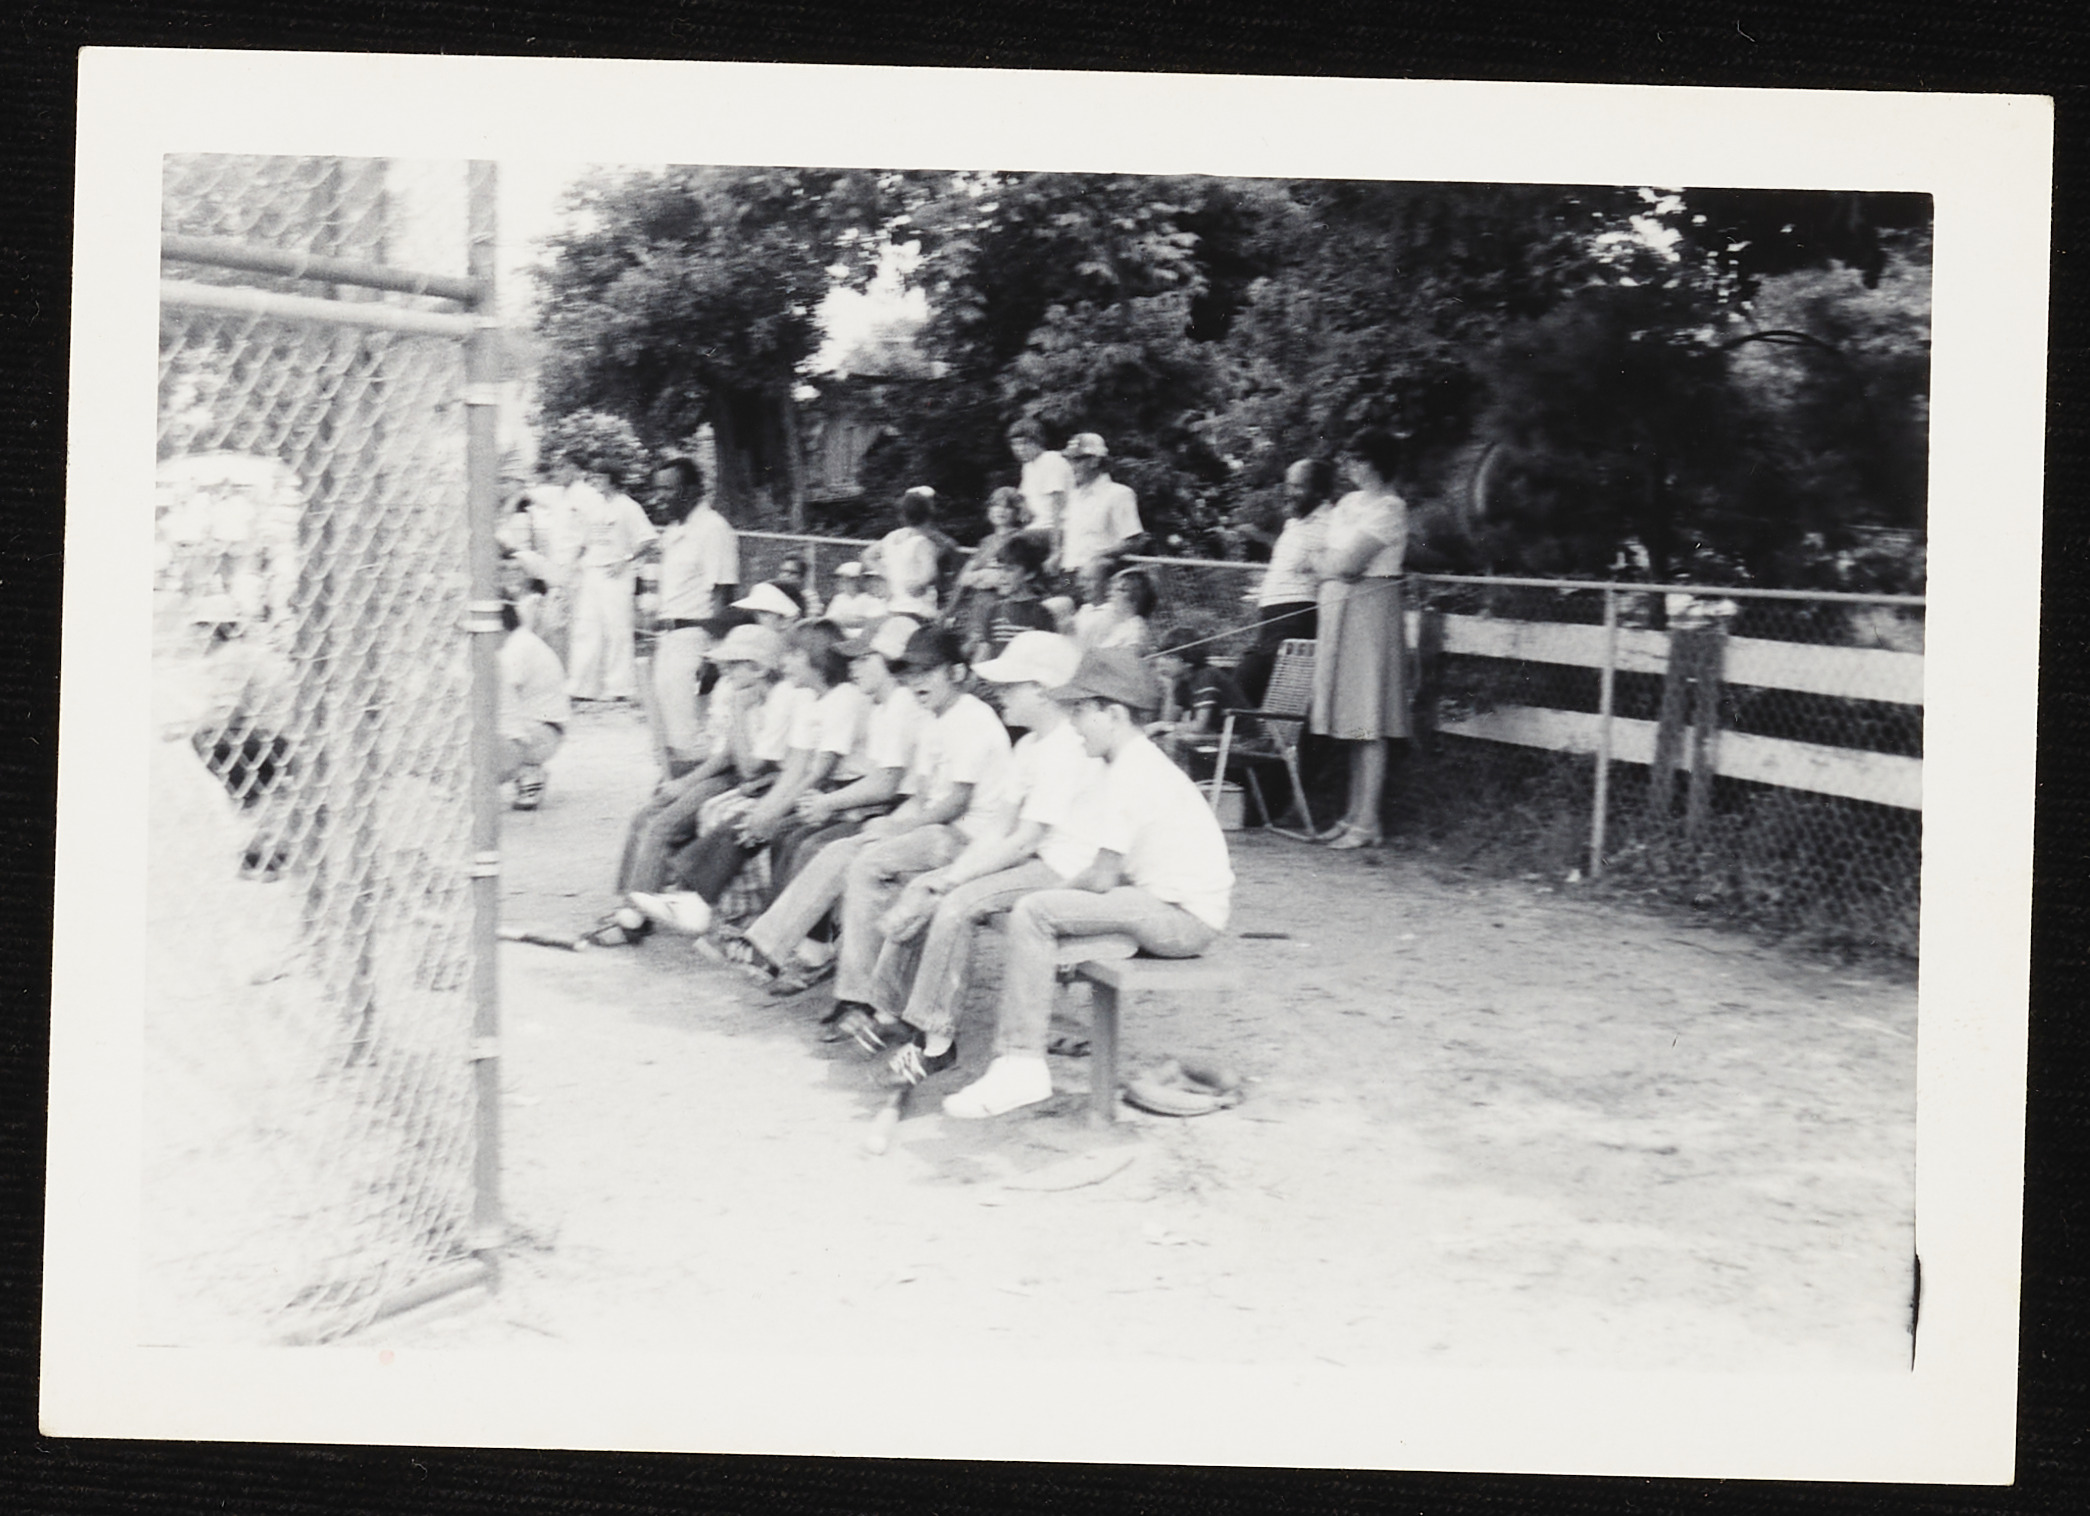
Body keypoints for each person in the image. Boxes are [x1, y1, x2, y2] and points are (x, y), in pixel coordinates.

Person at [940, 646, 1233, 1118]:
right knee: (1042, 912)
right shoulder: (1124, 763)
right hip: (1154, 903)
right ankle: (1022, 1056)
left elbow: (1101, 877)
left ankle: (1021, 1067)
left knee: (1034, 912)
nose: (1072, 723)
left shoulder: (1133, 770)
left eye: (1081, 711)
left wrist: (1049, 904)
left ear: (1113, 713)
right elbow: (1102, 877)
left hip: (1185, 918)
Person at [859, 631, 1105, 1086]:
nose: (1000, 694)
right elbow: (999, 827)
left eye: (1012, 687)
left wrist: (954, 881)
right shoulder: (1029, 745)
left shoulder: (1066, 748)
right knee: (928, 888)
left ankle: (936, 1043)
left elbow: (1024, 840)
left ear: (1045, 691)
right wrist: (947, 874)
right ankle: (889, 1010)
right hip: (1031, 861)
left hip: (1066, 871)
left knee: (957, 904)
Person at [814, 625, 1012, 1050]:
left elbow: (955, 803)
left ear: (957, 673)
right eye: (910, 672)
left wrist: (898, 829)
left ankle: (864, 1000)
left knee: (870, 864)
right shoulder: (935, 720)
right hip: (939, 830)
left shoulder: (973, 718)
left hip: (970, 839)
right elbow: (923, 795)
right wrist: (886, 827)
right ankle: (866, 997)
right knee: (853, 850)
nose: (916, 681)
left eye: (928, 671)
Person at [713, 615, 929, 987]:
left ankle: (804, 950)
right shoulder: (883, 704)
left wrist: (832, 804)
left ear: (892, 661)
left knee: (812, 844)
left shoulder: (900, 705)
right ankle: (792, 946)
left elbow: (887, 784)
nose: (854, 667)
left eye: (865, 660)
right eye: (855, 659)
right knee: (794, 837)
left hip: (896, 811)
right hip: (883, 805)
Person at [629, 620, 867, 935]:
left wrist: (774, 808)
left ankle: (752, 923)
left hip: (844, 794)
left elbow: (815, 770)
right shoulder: (811, 699)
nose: (786, 662)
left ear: (816, 657)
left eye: (794, 654)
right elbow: (798, 766)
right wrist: (769, 807)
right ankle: (695, 901)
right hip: (812, 789)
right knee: (746, 820)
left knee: (772, 830)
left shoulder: (841, 697)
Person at [597, 622, 787, 942]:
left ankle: (634, 920)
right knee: (646, 814)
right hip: (732, 773)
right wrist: (684, 782)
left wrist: (740, 713)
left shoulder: (775, 701)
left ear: (758, 668)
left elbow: (747, 766)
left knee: (663, 826)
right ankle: (628, 902)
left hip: (750, 781)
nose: (725, 671)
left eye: (733, 664)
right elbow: (727, 753)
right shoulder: (740, 692)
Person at [1312, 428, 1411, 850]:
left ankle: (1368, 822)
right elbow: (1326, 557)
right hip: (1340, 611)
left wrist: (1328, 563)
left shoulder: (1391, 507)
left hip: (1370, 611)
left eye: (1358, 458)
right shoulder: (1349, 504)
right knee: (1352, 720)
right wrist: (1330, 563)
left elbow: (1348, 563)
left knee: (1368, 718)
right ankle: (1353, 814)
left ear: (1377, 462)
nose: (1350, 465)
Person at [647, 455, 739, 773]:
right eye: (658, 489)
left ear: (693, 490)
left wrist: (713, 654)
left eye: (668, 489)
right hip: (668, 639)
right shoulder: (674, 531)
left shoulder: (713, 529)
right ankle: (670, 792)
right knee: (666, 732)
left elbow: (722, 595)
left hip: (694, 640)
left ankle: (685, 803)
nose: (660, 496)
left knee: (690, 735)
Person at [1239, 456, 1336, 705]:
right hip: (1273, 617)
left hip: (1295, 614)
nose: (1289, 493)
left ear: (1320, 491)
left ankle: (1269, 740)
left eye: (1298, 486)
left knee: (1256, 687)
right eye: (1288, 485)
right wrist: (1260, 536)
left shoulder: (1329, 522)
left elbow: (1328, 563)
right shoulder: (1295, 522)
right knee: (1250, 687)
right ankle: (1260, 738)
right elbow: (1295, 557)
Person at [564, 459, 658, 702]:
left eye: (600, 476)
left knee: (617, 630)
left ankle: (619, 688)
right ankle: (582, 687)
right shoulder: (594, 507)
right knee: (587, 628)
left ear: (611, 478)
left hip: (616, 574)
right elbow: (585, 540)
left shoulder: (628, 507)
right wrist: (573, 565)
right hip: (592, 572)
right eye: (593, 476)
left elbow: (648, 539)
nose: (595, 480)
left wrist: (626, 559)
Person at [1148, 622, 1253, 776]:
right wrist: (1170, 688)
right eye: (1161, 655)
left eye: (1170, 657)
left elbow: (1199, 726)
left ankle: (1178, 790)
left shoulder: (1206, 676)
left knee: (1174, 740)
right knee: (1160, 739)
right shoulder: (1182, 680)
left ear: (1189, 661)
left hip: (1245, 739)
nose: (1161, 662)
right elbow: (1169, 719)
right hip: (1221, 735)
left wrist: (1163, 726)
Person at [498, 600, 569, 810]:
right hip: (544, 729)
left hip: (540, 733)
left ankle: (525, 771)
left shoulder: (516, 647)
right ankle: (526, 772)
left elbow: (500, 700)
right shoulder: (521, 640)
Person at [1058, 433, 1146, 595]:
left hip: (1098, 578)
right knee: (1064, 607)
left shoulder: (1118, 494)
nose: (1072, 467)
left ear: (1095, 460)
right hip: (1068, 575)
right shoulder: (1072, 496)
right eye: (1069, 460)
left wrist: (1101, 555)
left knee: (1096, 617)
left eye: (1077, 460)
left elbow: (1134, 540)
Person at [968, 530, 1059, 664]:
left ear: (1029, 574)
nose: (1002, 576)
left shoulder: (1041, 613)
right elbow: (983, 655)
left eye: (1009, 570)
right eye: (1000, 569)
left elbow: (1048, 658)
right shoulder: (994, 611)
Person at [949, 487, 1025, 638]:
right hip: (979, 608)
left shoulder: (1020, 539)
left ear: (1016, 512)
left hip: (1004, 610)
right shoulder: (986, 542)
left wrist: (978, 577)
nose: (1001, 511)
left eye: (1007, 506)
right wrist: (948, 611)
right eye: (996, 505)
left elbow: (1006, 577)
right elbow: (963, 579)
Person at [867, 487, 943, 619]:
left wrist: (888, 574)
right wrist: (920, 583)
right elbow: (931, 572)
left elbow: (867, 556)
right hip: (918, 610)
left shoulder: (891, 537)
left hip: (893, 607)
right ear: (928, 516)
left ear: (903, 516)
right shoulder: (923, 543)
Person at [1006, 418, 1072, 566]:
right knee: (1001, 541)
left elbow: (1057, 508)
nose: (1020, 448)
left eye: (1025, 443)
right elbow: (1025, 502)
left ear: (1038, 441)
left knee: (1014, 544)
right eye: (1015, 444)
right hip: (1039, 528)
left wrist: (1057, 550)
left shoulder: (1052, 461)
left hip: (1061, 529)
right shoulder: (1028, 466)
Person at [1072, 565, 1157, 658]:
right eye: (1112, 589)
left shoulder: (1136, 629)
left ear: (1135, 598)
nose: (1111, 593)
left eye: (1120, 590)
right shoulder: (1121, 626)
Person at [825, 561, 888, 634]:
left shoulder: (871, 599)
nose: (843, 583)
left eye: (849, 580)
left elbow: (870, 622)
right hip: (838, 636)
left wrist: (843, 621)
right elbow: (829, 619)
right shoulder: (839, 598)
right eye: (841, 579)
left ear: (858, 581)